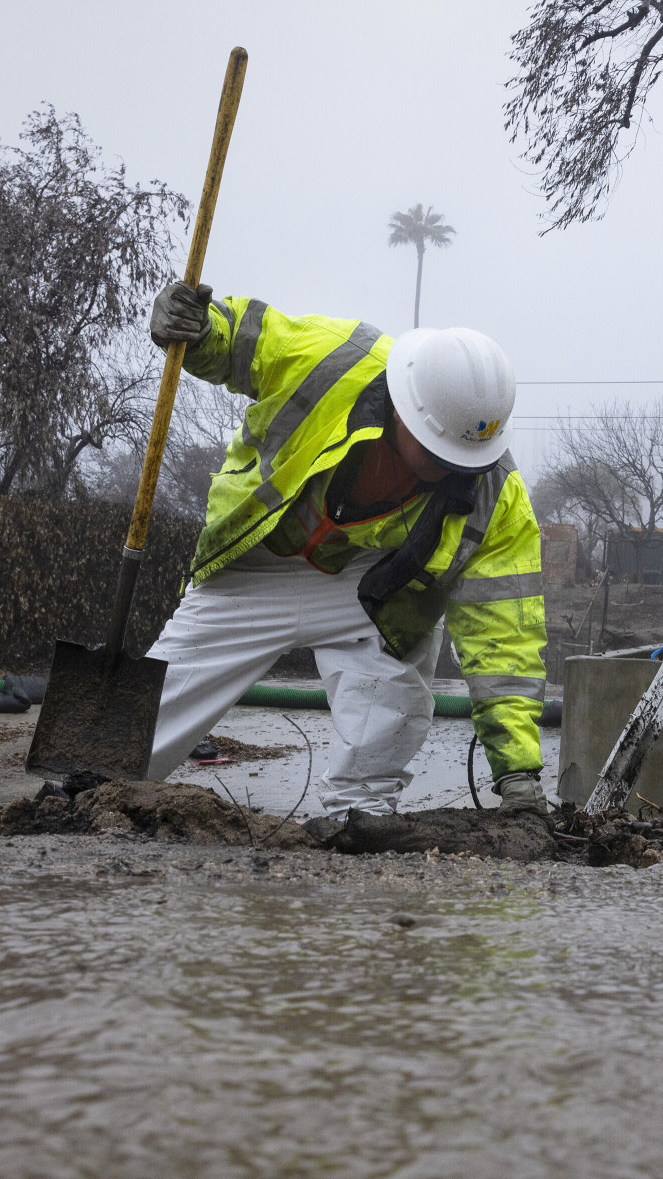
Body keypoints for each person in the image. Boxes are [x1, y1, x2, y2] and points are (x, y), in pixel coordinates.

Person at [140, 279, 549, 816]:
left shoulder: (497, 495)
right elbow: (245, 340)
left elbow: (505, 635)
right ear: (403, 410)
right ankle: (96, 779)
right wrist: (197, 329)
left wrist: (517, 769)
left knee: (395, 691)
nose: (450, 469)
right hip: (256, 566)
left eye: (463, 459)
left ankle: (361, 813)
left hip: (370, 590)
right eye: (437, 453)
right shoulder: (334, 357)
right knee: (152, 710)